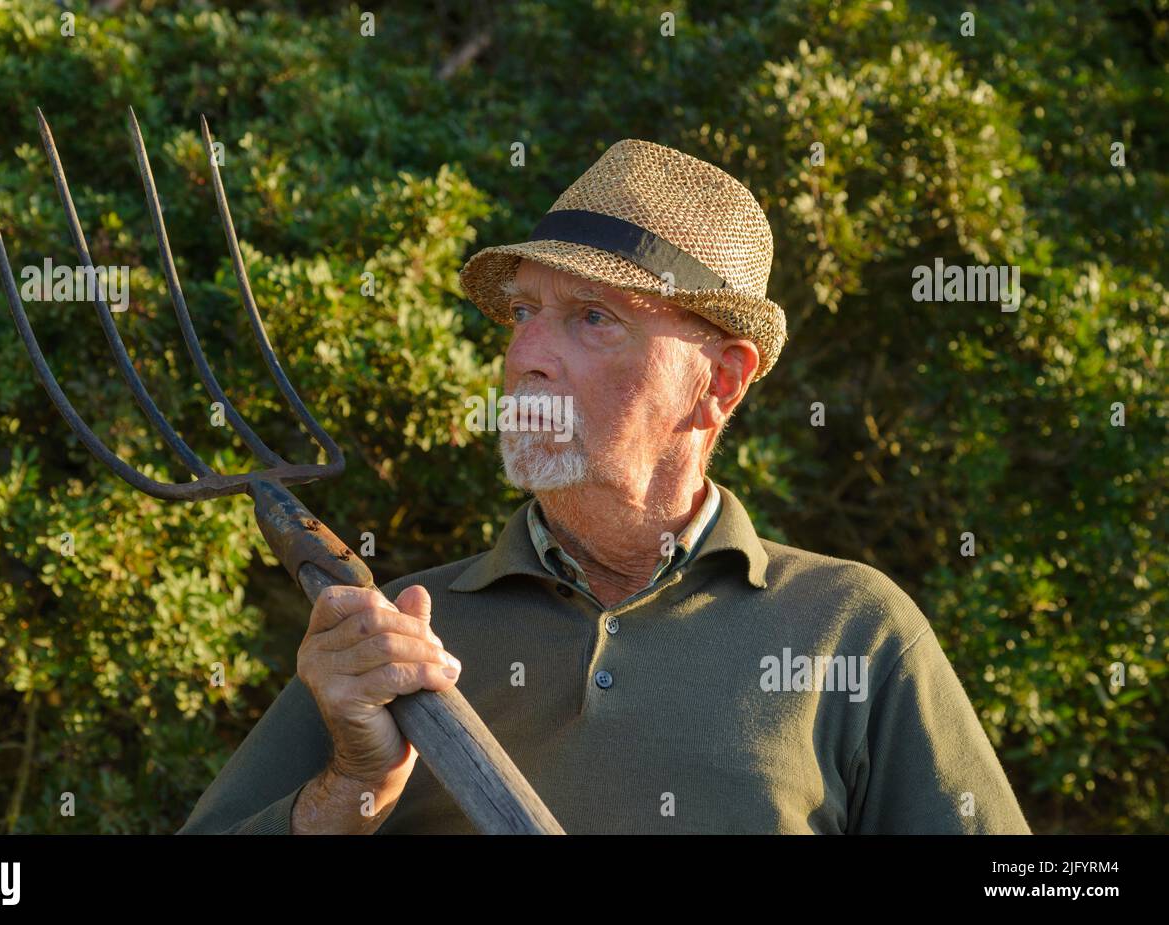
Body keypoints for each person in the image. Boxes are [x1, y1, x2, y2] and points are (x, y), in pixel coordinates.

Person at [178, 139, 1031, 834]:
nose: (525, 356)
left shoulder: (852, 630)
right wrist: (351, 788)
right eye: (524, 311)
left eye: (594, 317)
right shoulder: (390, 642)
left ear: (720, 383)